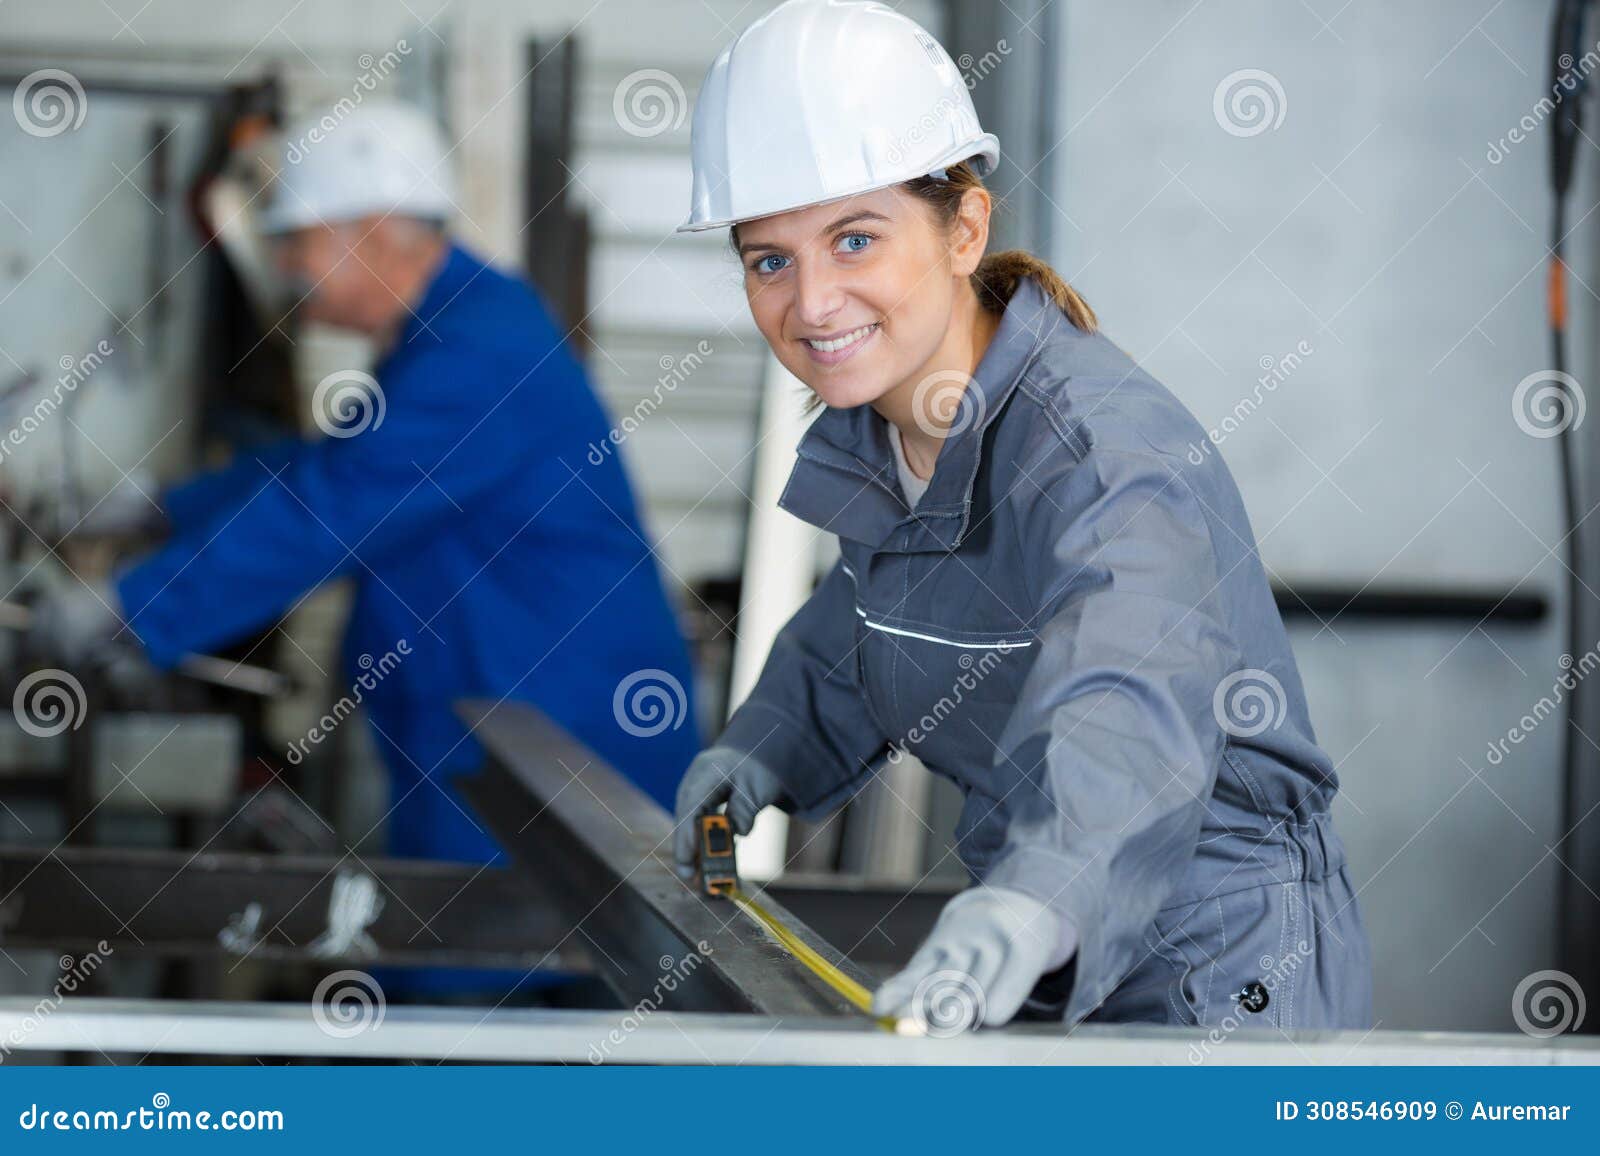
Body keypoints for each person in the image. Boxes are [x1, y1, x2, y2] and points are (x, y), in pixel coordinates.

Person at [670, 0, 1372, 1033]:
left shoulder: (1102, 453)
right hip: (1039, 929)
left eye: (854, 239)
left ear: (964, 227)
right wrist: (762, 745)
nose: (811, 302)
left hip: (1216, 960)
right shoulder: (889, 430)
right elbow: (877, 620)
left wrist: (1029, 901)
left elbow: (1129, 698)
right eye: (768, 259)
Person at [31, 103, 702, 984]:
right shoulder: (455, 331)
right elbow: (334, 470)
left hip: (547, 754)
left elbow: (333, 509)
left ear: (377, 236)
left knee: (489, 1013)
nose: (286, 267)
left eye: (300, 242)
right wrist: (156, 507)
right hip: (486, 731)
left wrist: (127, 609)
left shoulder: (479, 353)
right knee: (469, 994)